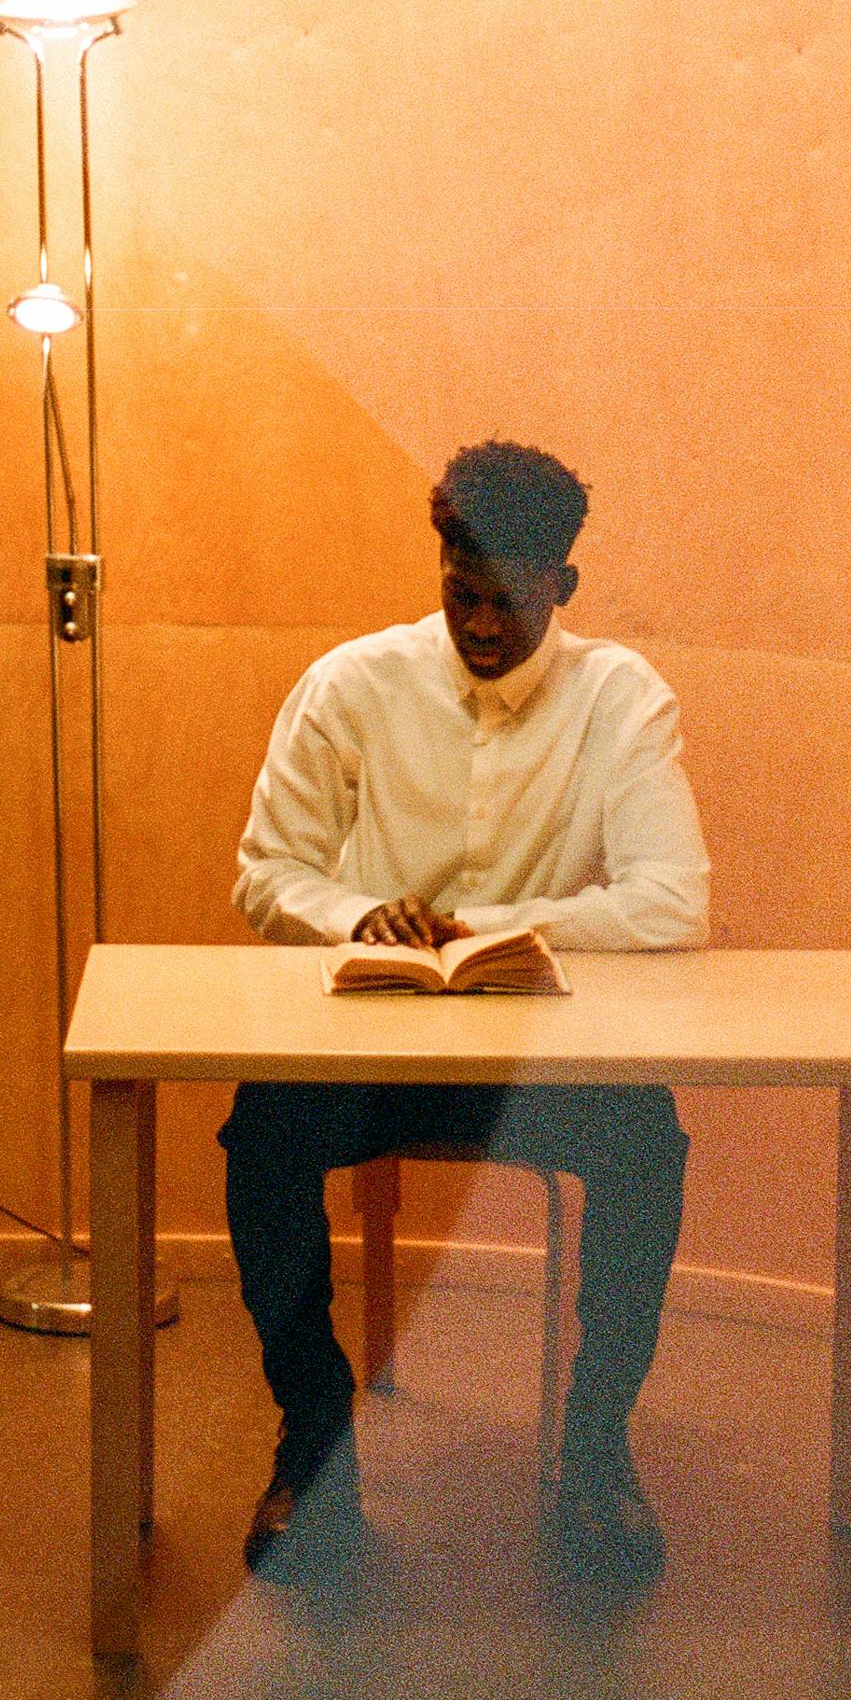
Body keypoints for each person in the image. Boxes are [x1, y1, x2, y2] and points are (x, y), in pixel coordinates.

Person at [221, 438, 709, 1588]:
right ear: (438, 565)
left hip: (544, 1049)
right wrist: (356, 918)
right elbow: (267, 871)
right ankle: (315, 1432)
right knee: (262, 1140)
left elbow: (673, 900)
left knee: (649, 1146)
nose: (483, 626)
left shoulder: (621, 697)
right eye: (462, 595)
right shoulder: (354, 683)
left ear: (565, 587)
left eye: (510, 601)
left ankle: (596, 1445)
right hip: (376, 1036)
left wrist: (497, 927)